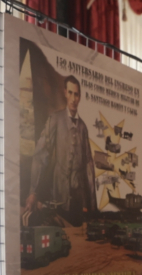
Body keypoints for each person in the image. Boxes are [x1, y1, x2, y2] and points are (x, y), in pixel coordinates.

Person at [24, 75, 97, 227]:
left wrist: (92, 205)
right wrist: (33, 191)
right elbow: (40, 155)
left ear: (80, 97)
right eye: (70, 93)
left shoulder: (83, 128)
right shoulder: (55, 120)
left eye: (76, 94)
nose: (73, 98)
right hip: (57, 196)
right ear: (65, 93)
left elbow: (88, 167)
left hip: (77, 203)